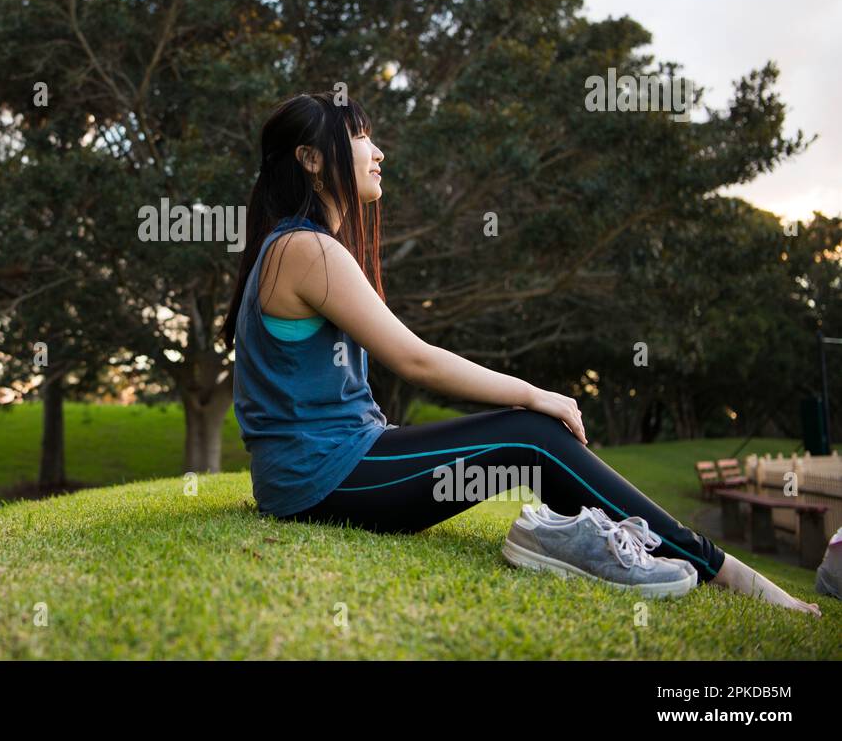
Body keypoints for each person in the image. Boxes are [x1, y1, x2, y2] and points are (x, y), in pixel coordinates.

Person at [220, 90, 821, 617]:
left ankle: (595, 540)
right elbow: (417, 361)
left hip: (320, 474)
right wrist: (537, 394)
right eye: (359, 138)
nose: (378, 153)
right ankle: (724, 572)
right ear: (313, 160)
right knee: (531, 435)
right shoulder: (305, 248)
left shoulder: (297, 246)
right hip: (323, 479)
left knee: (529, 440)